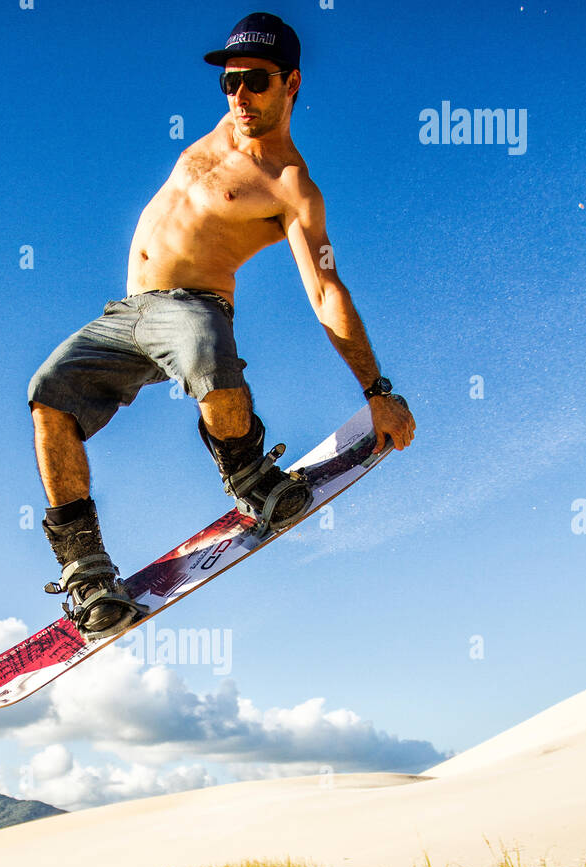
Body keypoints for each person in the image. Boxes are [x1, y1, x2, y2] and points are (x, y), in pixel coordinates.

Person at [28, 11, 416, 642]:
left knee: (207, 349)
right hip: (128, 313)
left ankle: (249, 478)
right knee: (48, 397)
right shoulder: (224, 126)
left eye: (256, 82)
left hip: (194, 304)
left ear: (291, 83)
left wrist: (377, 392)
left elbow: (325, 289)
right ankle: (87, 573)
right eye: (230, 82)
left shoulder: (292, 187)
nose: (239, 96)